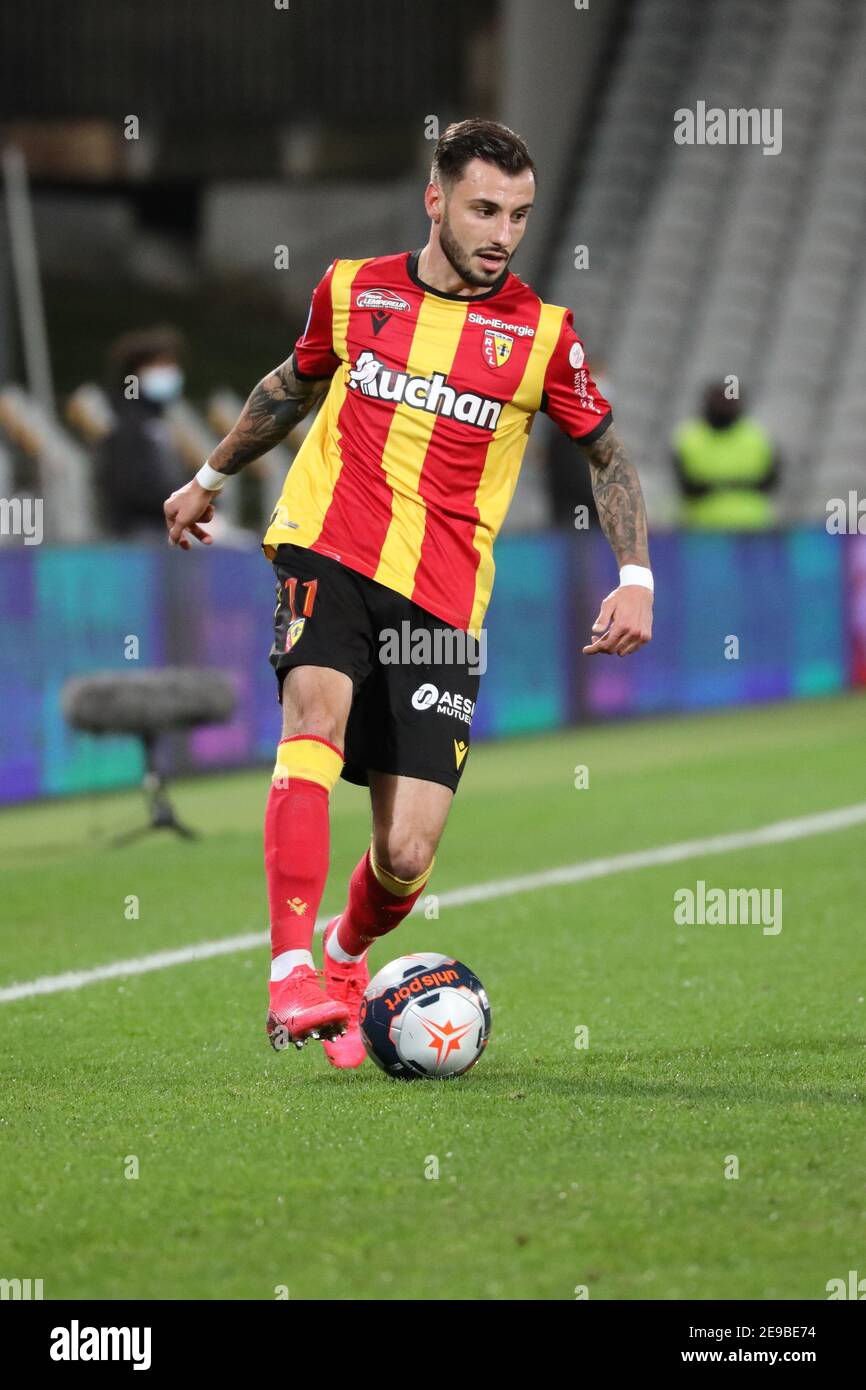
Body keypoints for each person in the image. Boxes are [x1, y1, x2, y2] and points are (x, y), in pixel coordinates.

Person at [163, 118, 654, 1069]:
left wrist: (634, 578)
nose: (502, 232)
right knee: (314, 719)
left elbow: (607, 454)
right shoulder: (352, 292)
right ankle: (289, 972)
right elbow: (288, 387)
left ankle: (346, 959)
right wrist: (210, 482)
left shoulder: (544, 336)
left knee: (408, 857)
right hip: (330, 548)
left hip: (442, 600)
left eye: (518, 215)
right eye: (483, 209)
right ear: (435, 200)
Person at [97, 327, 189, 538]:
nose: (170, 372)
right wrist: (179, 503)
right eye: (162, 364)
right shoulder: (125, 421)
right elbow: (128, 486)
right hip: (141, 531)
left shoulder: (159, 420)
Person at [672, 383, 779, 529]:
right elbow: (686, 487)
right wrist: (739, 484)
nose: (723, 407)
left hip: (751, 527)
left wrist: (713, 485)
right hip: (702, 528)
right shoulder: (689, 439)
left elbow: (770, 482)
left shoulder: (758, 438)